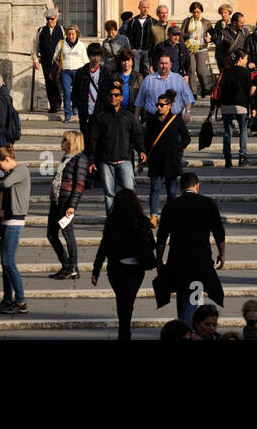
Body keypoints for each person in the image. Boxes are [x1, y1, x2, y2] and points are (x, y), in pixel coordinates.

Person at [155, 173, 225, 325]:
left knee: (183, 294)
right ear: (197, 185)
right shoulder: (208, 204)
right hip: (200, 259)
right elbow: (219, 233)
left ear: (180, 188)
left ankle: (185, 326)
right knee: (193, 296)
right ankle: (188, 329)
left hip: (177, 259)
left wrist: (159, 260)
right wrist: (222, 254)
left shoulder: (171, 206)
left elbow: (161, 238)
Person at [92, 188, 157, 341]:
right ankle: (124, 332)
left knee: (123, 301)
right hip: (135, 269)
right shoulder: (141, 220)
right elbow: (151, 244)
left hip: (116, 269)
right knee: (127, 302)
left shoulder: (112, 220)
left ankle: (124, 331)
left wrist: (96, 269)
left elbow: (104, 246)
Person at [89, 78, 147, 213]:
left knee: (129, 192)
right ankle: (112, 220)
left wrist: (142, 151)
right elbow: (93, 140)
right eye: (110, 95)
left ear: (121, 98)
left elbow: (137, 136)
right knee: (109, 194)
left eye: (116, 95)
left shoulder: (128, 116)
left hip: (125, 159)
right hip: (106, 161)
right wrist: (91, 160)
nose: (113, 98)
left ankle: (130, 218)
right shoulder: (101, 117)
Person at [0, 146, 31, 314]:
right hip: (5, 219)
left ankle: (20, 301)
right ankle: (7, 299)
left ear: (7, 159)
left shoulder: (21, 169)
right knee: (5, 263)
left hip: (15, 219)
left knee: (8, 261)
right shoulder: (11, 172)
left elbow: (5, 184)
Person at [46, 130, 87, 279]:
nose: (62, 142)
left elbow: (79, 184)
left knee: (68, 234)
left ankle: (73, 267)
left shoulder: (80, 159)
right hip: (56, 199)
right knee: (51, 234)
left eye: (65, 140)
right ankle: (66, 265)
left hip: (66, 201)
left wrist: (72, 205)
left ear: (72, 143)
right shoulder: (65, 158)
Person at [144, 90, 189, 225]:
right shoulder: (152, 120)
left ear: (169, 106)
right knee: (155, 188)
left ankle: (171, 215)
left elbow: (186, 138)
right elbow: (147, 139)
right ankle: (153, 215)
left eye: (162, 105)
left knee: (172, 190)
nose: (158, 107)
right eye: (157, 104)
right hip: (156, 160)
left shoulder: (176, 119)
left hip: (171, 160)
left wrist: (177, 149)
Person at [71, 41, 112, 152]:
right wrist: (77, 106)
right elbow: (75, 91)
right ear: (89, 56)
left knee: (101, 140)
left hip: (101, 111)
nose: (95, 58)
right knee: (86, 140)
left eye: (98, 55)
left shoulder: (105, 72)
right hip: (85, 111)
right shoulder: (81, 72)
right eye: (93, 55)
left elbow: (109, 91)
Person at [217, 48, 253, 168]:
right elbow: (249, 91)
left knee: (227, 132)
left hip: (226, 105)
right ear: (240, 59)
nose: (247, 61)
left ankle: (228, 158)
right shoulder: (246, 72)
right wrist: (252, 106)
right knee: (243, 130)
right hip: (241, 105)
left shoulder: (226, 71)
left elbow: (220, 87)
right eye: (246, 59)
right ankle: (242, 156)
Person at [135, 53, 196, 120]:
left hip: (174, 119)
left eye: (166, 63)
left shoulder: (179, 79)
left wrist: (187, 112)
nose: (164, 66)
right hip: (153, 119)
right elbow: (139, 100)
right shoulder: (149, 79)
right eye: (162, 63)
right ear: (158, 64)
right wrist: (136, 117)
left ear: (170, 65)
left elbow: (188, 98)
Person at [53, 23, 86, 123]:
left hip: (78, 71)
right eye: (69, 34)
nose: (71, 36)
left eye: (73, 34)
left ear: (77, 34)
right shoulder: (61, 43)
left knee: (77, 92)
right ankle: (67, 114)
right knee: (67, 93)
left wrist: (86, 72)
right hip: (65, 71)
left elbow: (85, 60)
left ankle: (75, 108)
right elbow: (55, 57)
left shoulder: (81, 45)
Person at [181, 2, 214, 99]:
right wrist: (190, 36)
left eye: (198, 12)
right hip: (190, 49)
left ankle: (204, 88)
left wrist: (210, 39)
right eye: (194, 12)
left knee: (200, 71)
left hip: (202, 48)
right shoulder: (187, 21)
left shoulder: (206, 22)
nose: (196, 14)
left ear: (201, 12)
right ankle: (193, 92)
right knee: (191, 70)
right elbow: (181, 33)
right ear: (191, 12)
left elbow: (214, 34)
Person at [34, 7, 64, 114]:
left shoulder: (61, 29)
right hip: (46, 61)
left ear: (56, 18)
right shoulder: (41, 30)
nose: (49, 21)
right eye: (48, 19)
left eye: (52, 19)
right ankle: (52, 105)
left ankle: (58, 103)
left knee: (57, 82)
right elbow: (35, 47)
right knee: (49, 82)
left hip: (58, 62)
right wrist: (35, 60)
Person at [124, 0, 156, 75]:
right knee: (135, 70)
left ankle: (149, 86)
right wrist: (131, 48)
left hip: (147, 50)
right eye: (143, 7)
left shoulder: (153, 22)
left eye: (147, 7)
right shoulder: (132, 22)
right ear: (139, 8)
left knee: (148, 70)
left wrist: (151, 49)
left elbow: (154, 37)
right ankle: (135, 85)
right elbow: (128, 36)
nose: (145, 9)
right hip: (136, 50)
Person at [212, 4, 234, 69]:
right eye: (222, 13)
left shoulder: (233, 23)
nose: (223, 14)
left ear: (229, 13)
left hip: (231, 50)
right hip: (220, 50)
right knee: (222, 70)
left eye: (225, 13)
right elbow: (214, 35)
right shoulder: (218, 24)